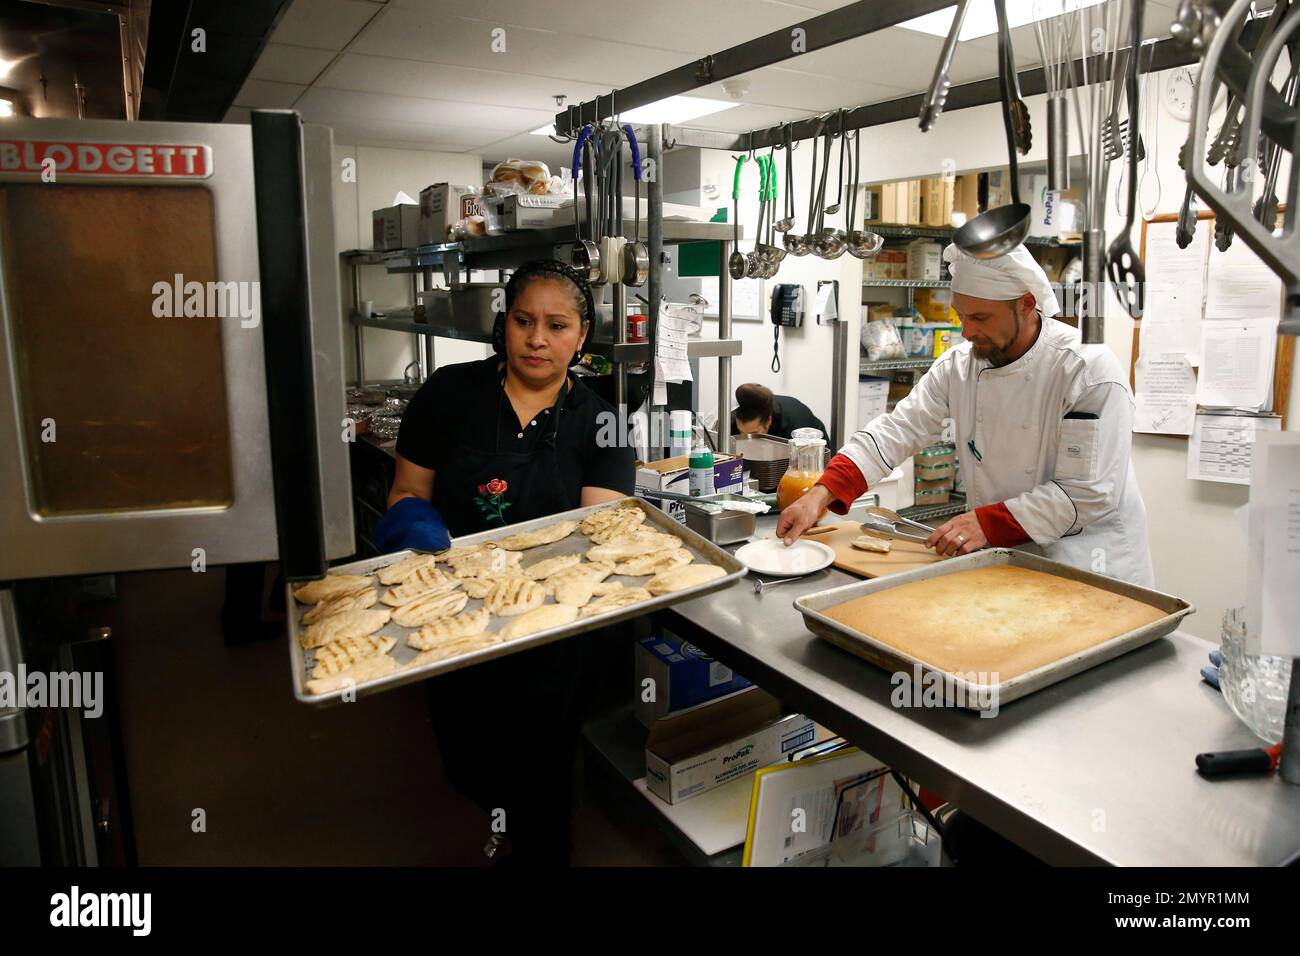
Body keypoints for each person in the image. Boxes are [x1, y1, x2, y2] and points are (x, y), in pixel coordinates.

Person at [375, 259, 636, 866]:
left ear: (581, 334)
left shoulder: (604, 422)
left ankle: (537, 847)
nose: (537, 339)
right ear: (504, 325)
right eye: (523, 321)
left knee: (542, 779)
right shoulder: (449, 394)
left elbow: (600, 536)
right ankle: (497, 818)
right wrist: (414, 519)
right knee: (468, 756)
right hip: (456, 615)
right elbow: (408, 488)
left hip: (548, 629)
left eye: (556, 325)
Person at [778, 242, 1154, 587]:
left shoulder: (1086, 371)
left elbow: (1087, 494)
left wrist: (986, 523)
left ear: (1025, 303)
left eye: (981, 318)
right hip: (1004, 559)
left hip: (1089, 568)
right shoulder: (959, 366)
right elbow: (897, 431)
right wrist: (820, 495)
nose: (967, 330)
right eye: (961, 315)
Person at [731, 383, 829, 440]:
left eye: (753, 433)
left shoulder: (795, 422)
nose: (746, 438)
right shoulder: (732, 421)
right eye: (741, 432)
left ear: (768, 421)